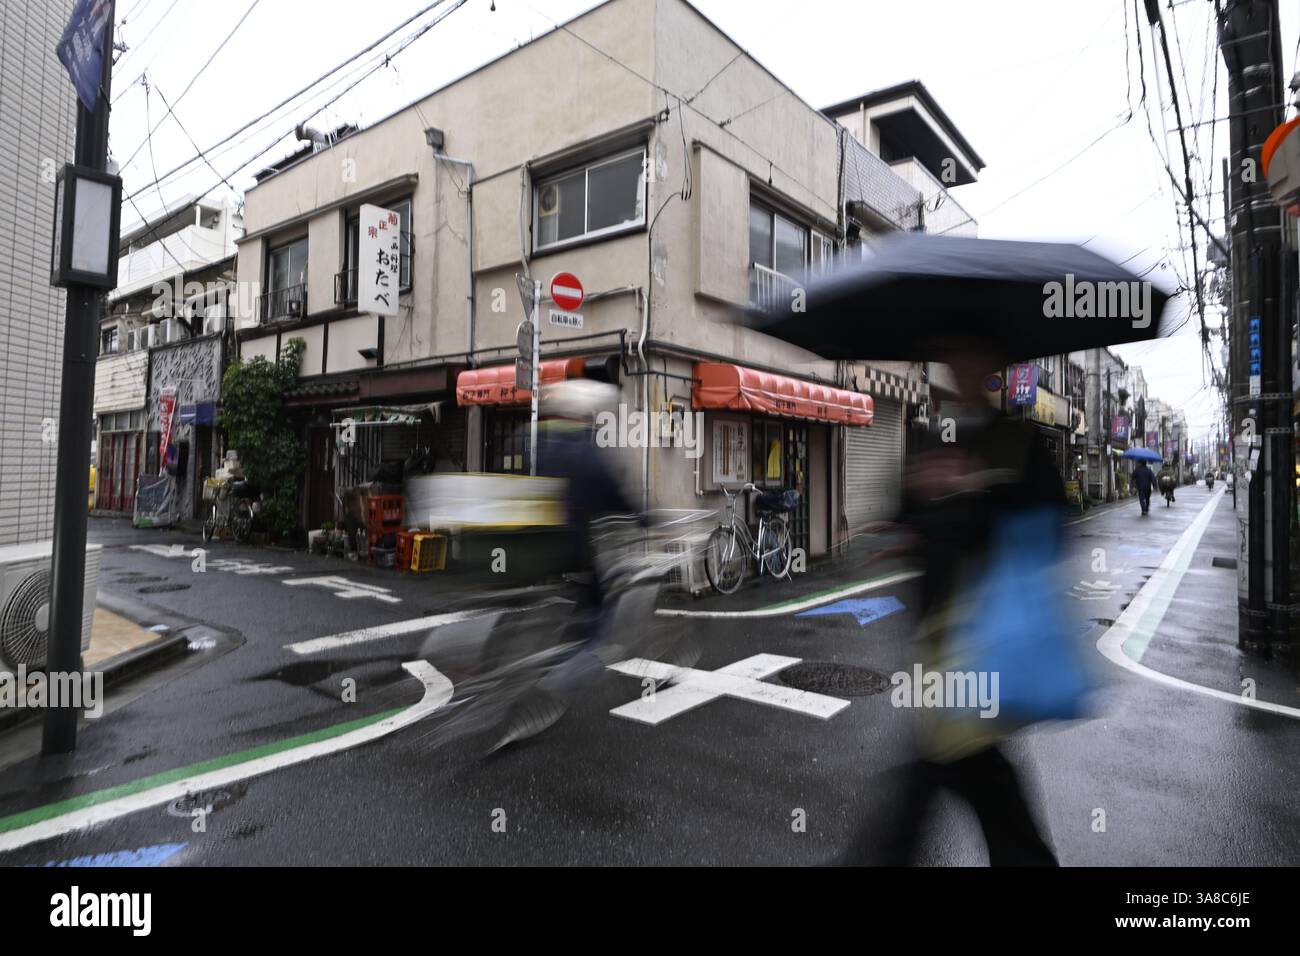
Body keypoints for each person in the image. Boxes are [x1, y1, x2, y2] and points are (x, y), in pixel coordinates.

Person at [843, 343, 1061, 867]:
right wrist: (906, 531)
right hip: (937, 632)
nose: (960, 370)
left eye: (973, 359)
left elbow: (1048, 526)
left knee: (952, 763)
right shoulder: (938, 432)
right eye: (954, 359)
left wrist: (971, 486)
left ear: (994, 368)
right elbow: (918, 514)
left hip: (982, 633)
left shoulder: (1018, 439)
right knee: (964, 764)